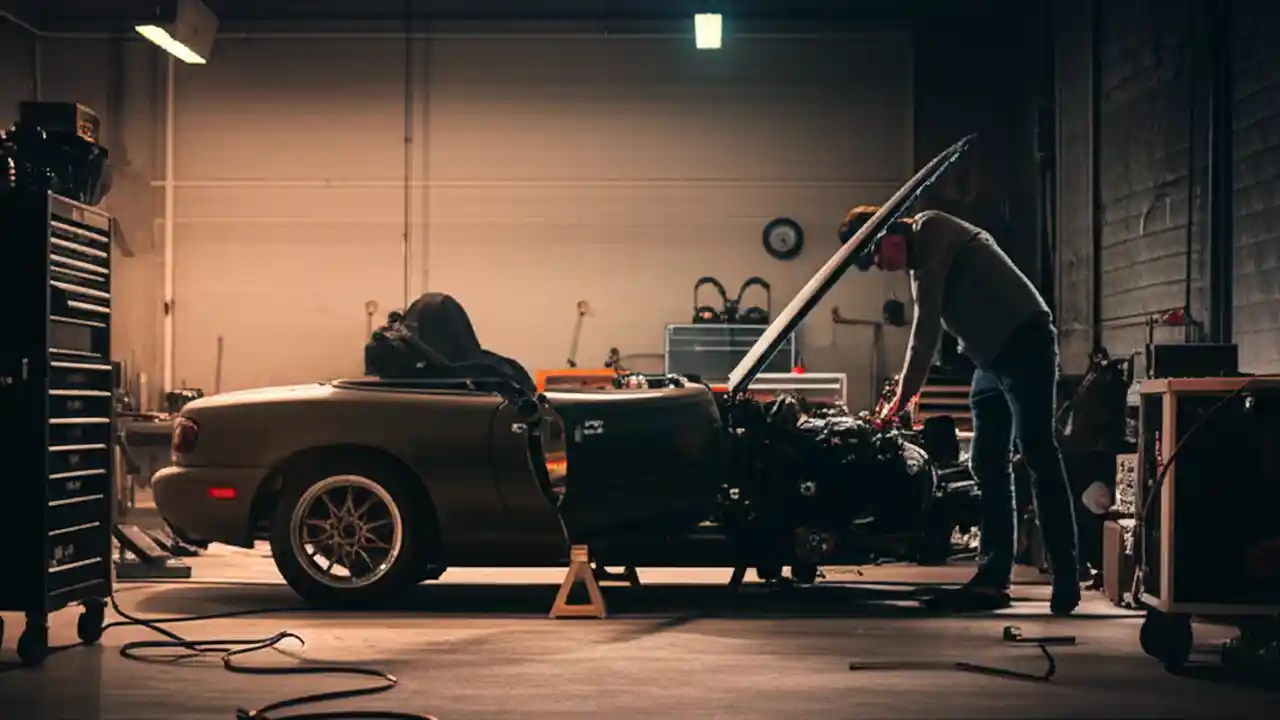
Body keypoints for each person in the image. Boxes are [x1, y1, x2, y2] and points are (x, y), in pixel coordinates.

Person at [839, 206, 1082, 615]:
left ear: (888, 234)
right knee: (986, 462)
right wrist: (904, 395)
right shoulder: (919, 264)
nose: (879, 265)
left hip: (1026, 344)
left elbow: (925, 331)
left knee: (1038, 452)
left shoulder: (932, 231)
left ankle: (1067, 574)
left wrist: (902, 398)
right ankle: (993, 576)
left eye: (875, 254)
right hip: (990, 360)